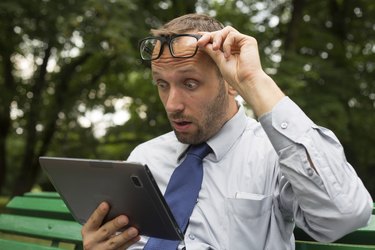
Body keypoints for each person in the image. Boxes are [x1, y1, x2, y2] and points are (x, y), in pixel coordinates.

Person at [81, 13, 373, 250]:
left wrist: (255, 80)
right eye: (162, 84)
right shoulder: (144, 158)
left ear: (231, 84)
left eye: (190, 83)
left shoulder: (273, 155)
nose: (172, 104)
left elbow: (345, 214)